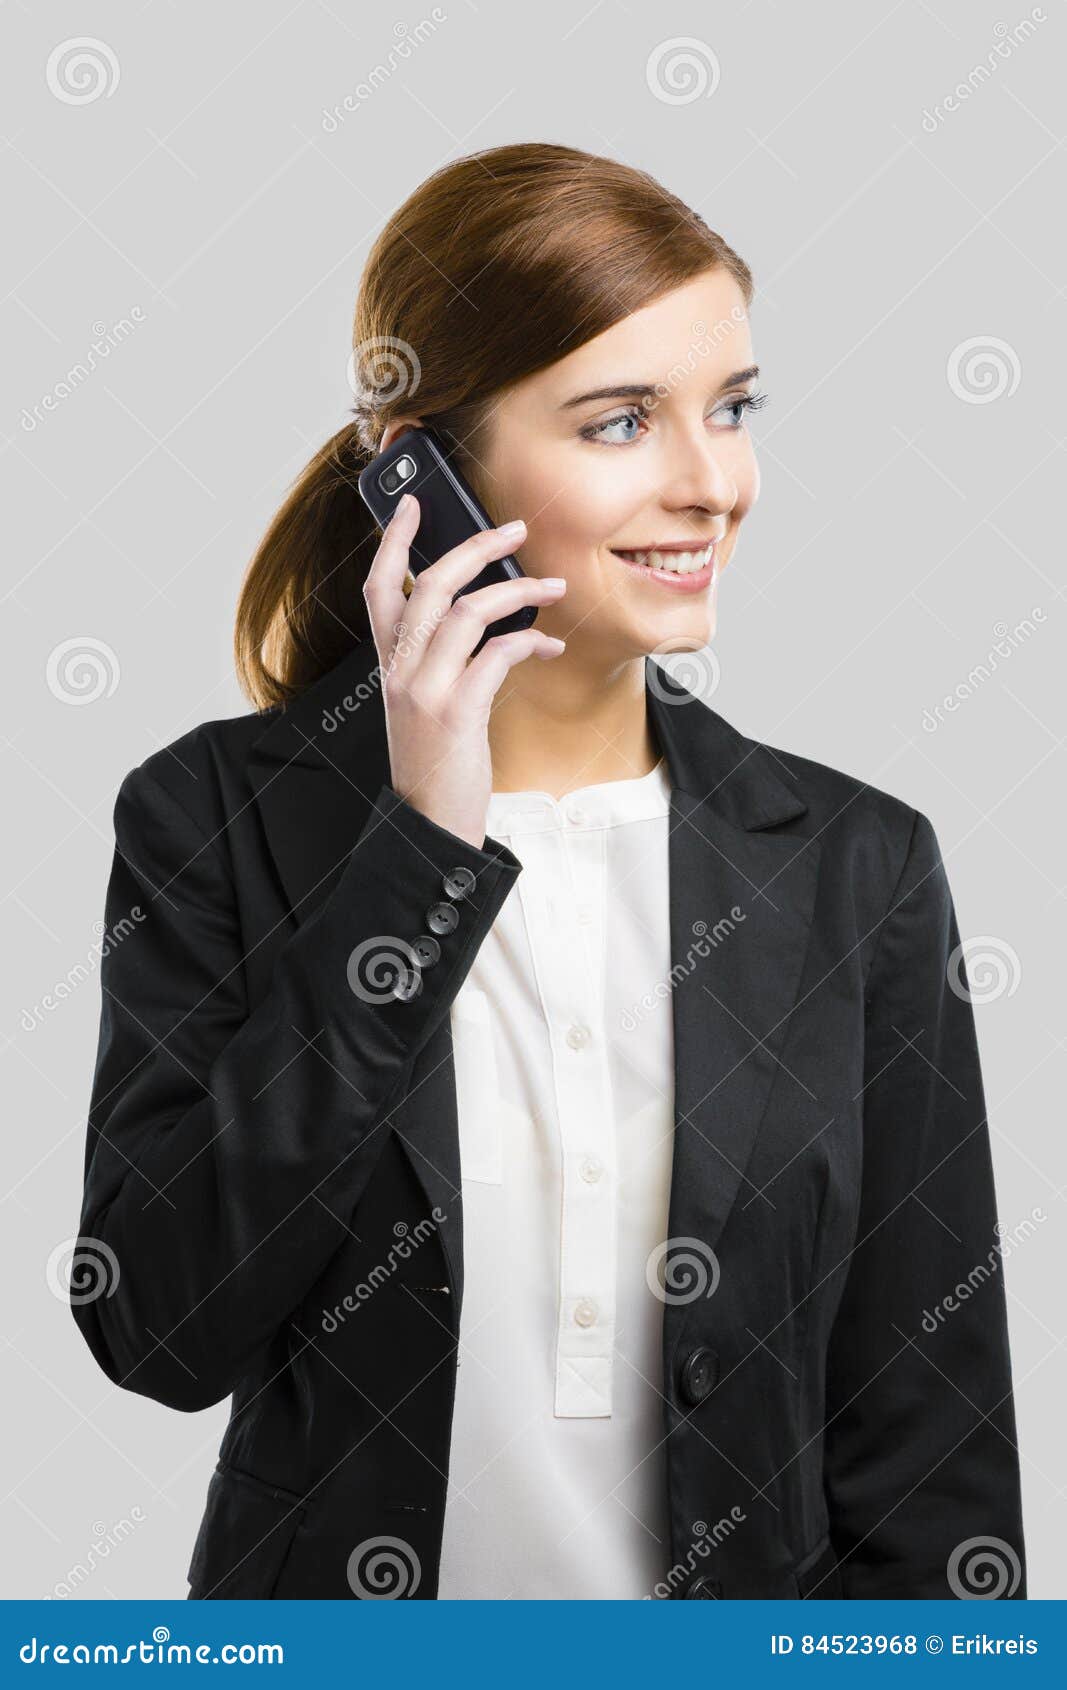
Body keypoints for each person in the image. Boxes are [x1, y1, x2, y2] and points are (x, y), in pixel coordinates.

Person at [70, 141, 1026, 1601]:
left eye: (734, 408)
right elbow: (158, 1328)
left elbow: (930, 1438)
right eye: (621, 420)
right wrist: (423, 851)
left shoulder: (860, 867)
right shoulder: (214, 818)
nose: (715, 483)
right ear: (426, 471)